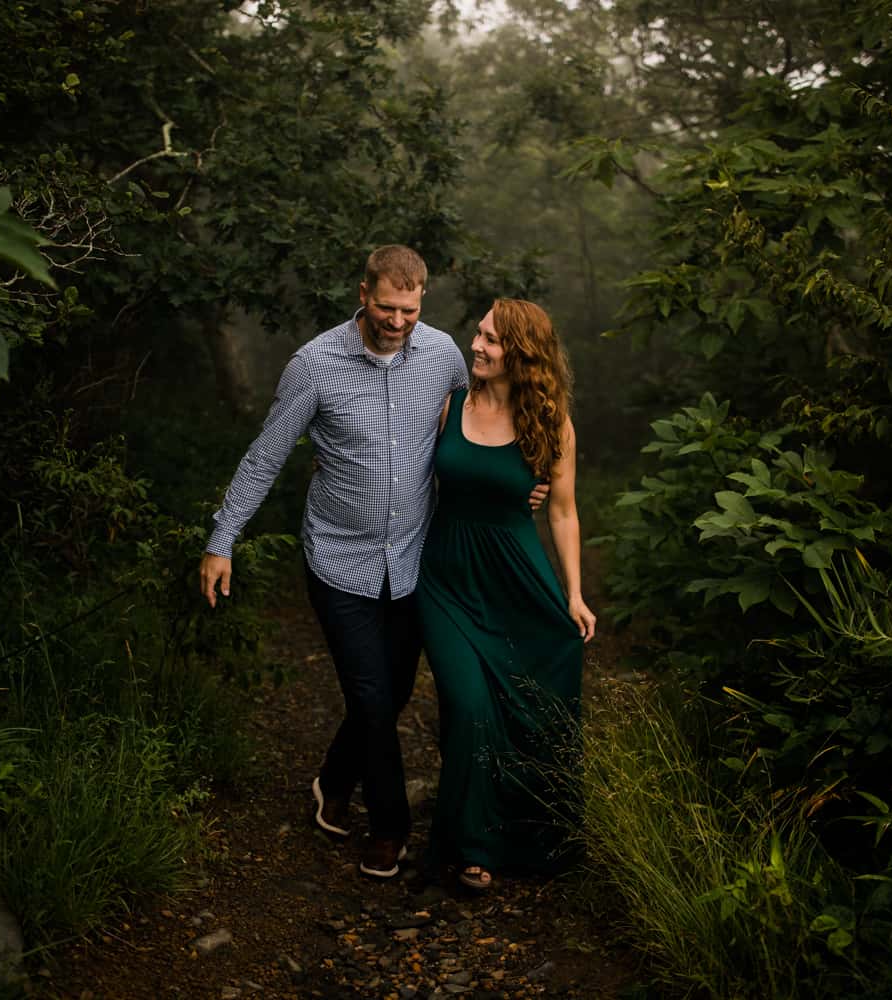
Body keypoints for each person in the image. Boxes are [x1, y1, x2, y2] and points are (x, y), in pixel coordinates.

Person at [199, 246, 544, 880]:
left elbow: (487, 417)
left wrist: (526, 476)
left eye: (409, 310)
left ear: (422, 301)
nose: (397, 320)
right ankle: (390, 829)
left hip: (417, 556)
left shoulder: (443, 355)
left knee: (389, 694)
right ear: (363, 293)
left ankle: (332, 780)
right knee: (370, 693)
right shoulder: (315, 365)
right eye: (386, 307)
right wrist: (223, 539)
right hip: (339, 558)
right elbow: (266, 455)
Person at [417, 297, 596, 893]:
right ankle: (473, 847)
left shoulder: (550, 419)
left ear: (520, 354)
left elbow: (564, 514)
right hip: (445, 579)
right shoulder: (449, 404)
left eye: (491, 340)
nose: (477, 345)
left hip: (517, 578)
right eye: (480, 333)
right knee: (469, 705)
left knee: (530, 703)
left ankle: (529, 834)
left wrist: (573, 593)